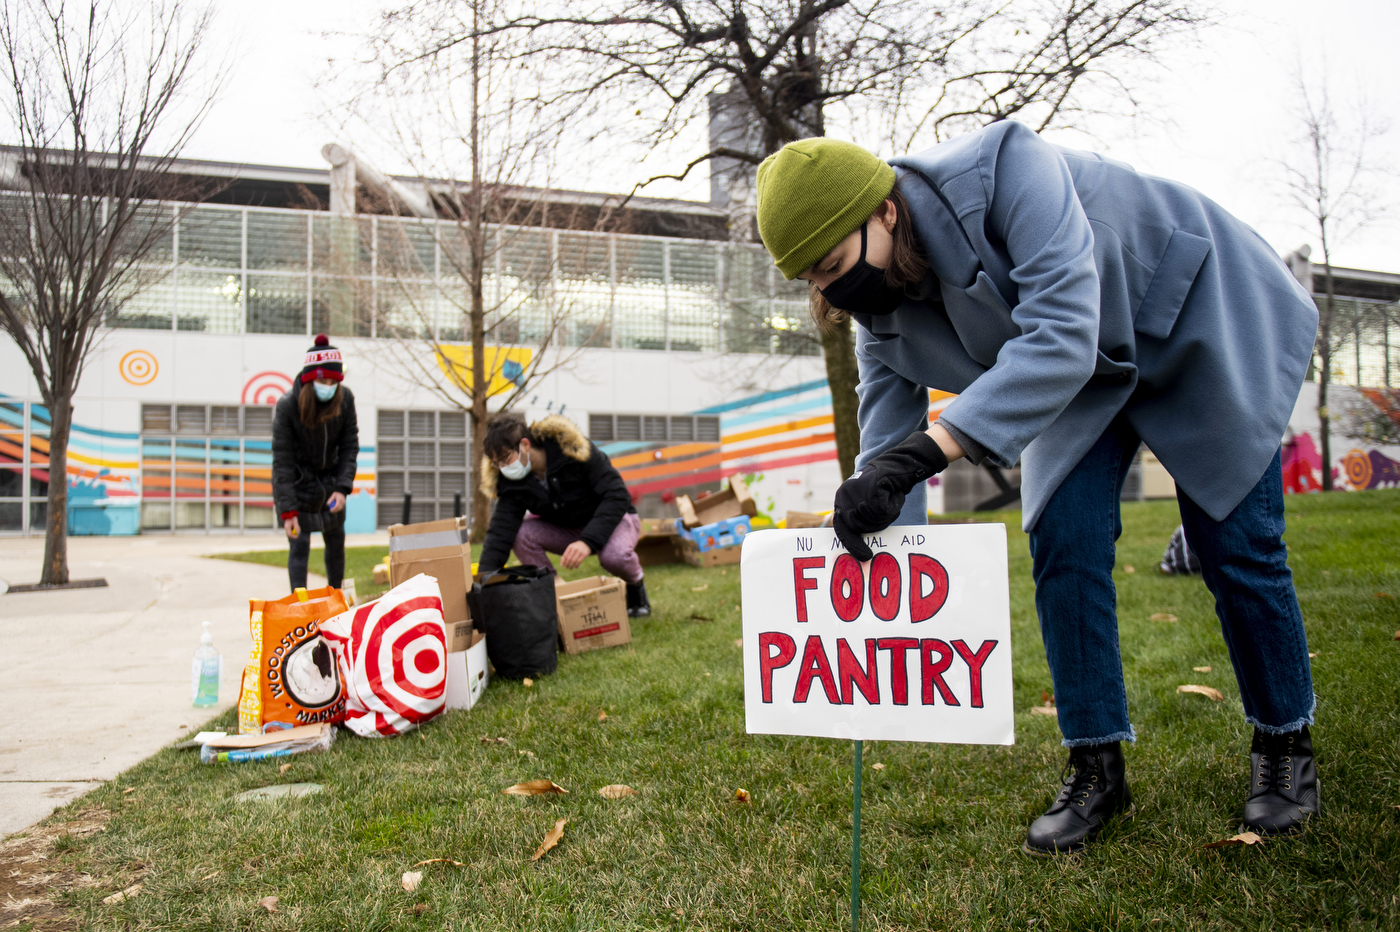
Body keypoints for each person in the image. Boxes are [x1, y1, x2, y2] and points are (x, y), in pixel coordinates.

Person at [754, 123, 1320, 856]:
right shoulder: (876, 308)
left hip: (1188, 309)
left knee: (1234, 542)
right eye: (812, 281)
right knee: (1063, 538)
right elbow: (888, 440)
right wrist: (881, 520)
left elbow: (1059, 334)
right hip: (1083, 378)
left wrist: (930, 449)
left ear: (886, 211)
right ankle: (1096, 763)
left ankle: (1284, 743)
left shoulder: (1008, 170)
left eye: (832, 264)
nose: (832, 290)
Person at [478, 411, 651, 617]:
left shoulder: (575, 452)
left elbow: (617, 496)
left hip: (615, 519)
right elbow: (501, 532)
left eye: (506, 459)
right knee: (521, 534)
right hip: (567, 529)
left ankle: (636, 586)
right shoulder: (511, 484)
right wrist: (483, 581)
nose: (504, 468)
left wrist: (587, 541)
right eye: (497, 463)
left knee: (614, 557)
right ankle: (557, 593)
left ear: (525, 445)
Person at [272, 334, 360, 592]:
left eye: (334, 381)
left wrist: (342, 488)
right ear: (310, 379)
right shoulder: (288, 405)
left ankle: (337, 608)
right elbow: (282, 462)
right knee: (299, 549)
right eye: (323, 380)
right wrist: (288, 511)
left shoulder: (345, 399)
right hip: (298, 488)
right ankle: (300, 610)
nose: (329, 385)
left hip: (331, 486)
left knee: (336, 549)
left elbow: (349, 447)